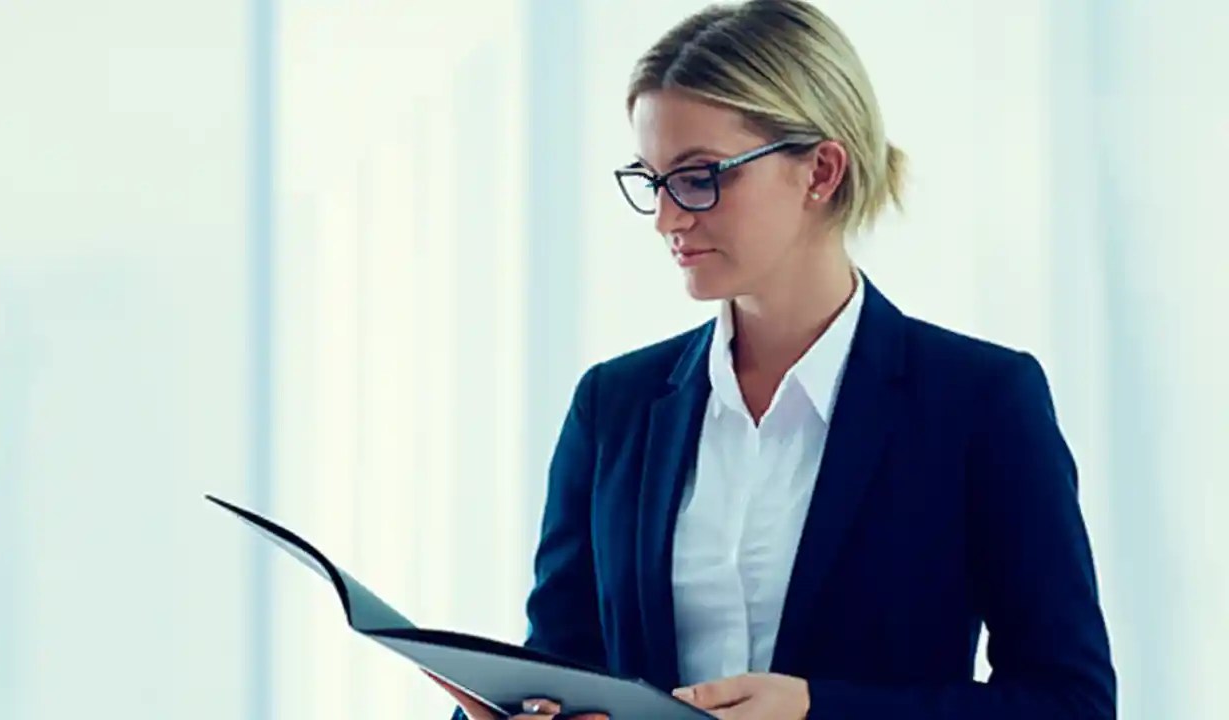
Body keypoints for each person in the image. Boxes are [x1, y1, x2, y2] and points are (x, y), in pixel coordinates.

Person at [430, 1, 1116, 718]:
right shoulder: (614, 406)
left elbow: (1070, 703)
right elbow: (560, 663)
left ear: (820, 171)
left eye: (698, 177)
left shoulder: (979, 402)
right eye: (652, 181)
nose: (667, 218)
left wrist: (819, 711)